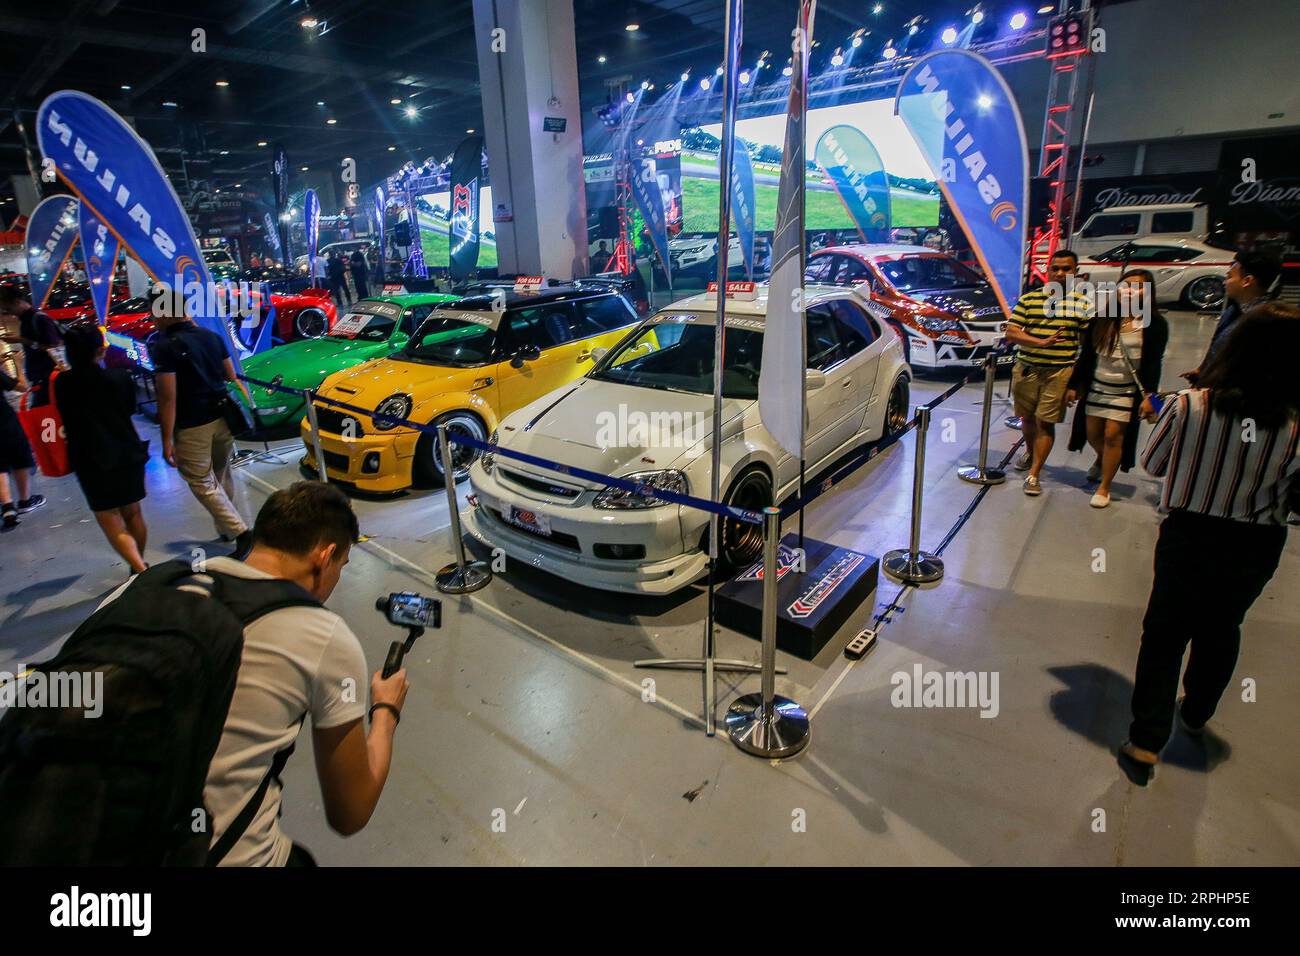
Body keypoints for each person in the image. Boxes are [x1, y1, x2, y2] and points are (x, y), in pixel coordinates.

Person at [95, 480, 408, 865]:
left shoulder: (141, 587)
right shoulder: (322, 635)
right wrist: (385, 712)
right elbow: (350, 812)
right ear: (324, 558)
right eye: (341, 567)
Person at [1120, 303, 1300, 781]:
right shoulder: (1295, 423)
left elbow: (1153, 466)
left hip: (1189, 534)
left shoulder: (1189, 404)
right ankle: (1197, 712)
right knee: (1223, 627)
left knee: (1164, 634)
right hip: (1255, 541)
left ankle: (1145, 743)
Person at [149, 283, 254, 555]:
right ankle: (226, 528)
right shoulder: (210, 336)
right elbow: (231, 377)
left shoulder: (164, 348)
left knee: (200, 481)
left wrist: (166, 439)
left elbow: (167, 398)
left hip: (193, 423)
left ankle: (241, 532)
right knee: (221, 472)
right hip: (223, 416)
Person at [1064, 269, 1169, 508]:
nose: (1130, 290)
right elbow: (1088, 356)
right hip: (1098, 387)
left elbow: (1154, 362)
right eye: (1126, 284)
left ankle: (1105, 486)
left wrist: (1150, 396)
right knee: (1092, 434)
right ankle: (1102, 459)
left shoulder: (1155, 324)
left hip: (1126, 391)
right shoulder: (1102, 318)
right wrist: (1074, 385)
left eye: (1138, 286)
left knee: (1114, 435)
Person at [54, 323, 151, 574]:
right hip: (127, 451)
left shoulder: (63, 382)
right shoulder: (119, 377)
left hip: (90, 458)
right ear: (99, 350)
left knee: (109, 517)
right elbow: (130, 409)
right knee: (133, 513)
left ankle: (139, 569)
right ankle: (139, 566)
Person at [1003, 249, 1094, 496]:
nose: (1060, 273)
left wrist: (1079, 383)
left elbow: (1087, 346)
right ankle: (1031, 452)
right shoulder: (1030, 299)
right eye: (1055, 268)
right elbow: (1011, 332)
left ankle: (1034, 473)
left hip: (1059, 373)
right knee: (1028, 419)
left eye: (1066, 268)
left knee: (1046, 422)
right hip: (1027, 370)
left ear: (1075, 272)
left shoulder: (1083, 304)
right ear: (1048, 270)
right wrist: (1040, 342)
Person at [1183, 247, 1281, 383]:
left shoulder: (1270, 321)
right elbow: (1216, 342)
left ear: (1247, 281)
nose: (1224, 282)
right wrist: (1202, 370)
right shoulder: (1233, 309)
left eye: (1229, 277)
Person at [0, 285, 65, 406]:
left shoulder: (39, 319)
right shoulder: (25, 321)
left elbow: (54, 348)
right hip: (40, 382)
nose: (7, 313)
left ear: (17, 302)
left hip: (51, 382)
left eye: (7, 308)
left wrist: (22, 340)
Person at [0, 358, 43, 530]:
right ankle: (25, 501)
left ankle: (8, 507)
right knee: (19, 454)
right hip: (3, 418)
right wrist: (17, 364)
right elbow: (22, 387)